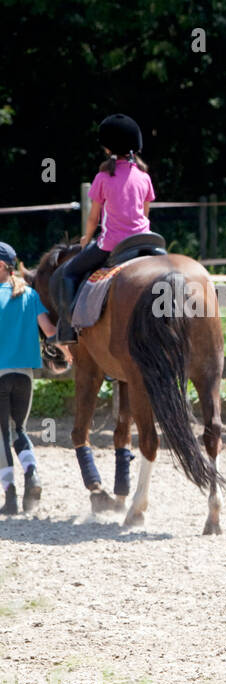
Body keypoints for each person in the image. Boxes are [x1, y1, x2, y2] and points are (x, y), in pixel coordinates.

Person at [55, 114, 155, 341]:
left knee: (68, 273)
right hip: (146, 241)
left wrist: (86, 238)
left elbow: (93, 218)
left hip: (113, 244)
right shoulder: (143, 176)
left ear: (108, 148)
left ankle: (69, 330)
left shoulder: (103, 177)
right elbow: (145, 212)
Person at [0, 241, 59, 514]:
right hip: (24, 375)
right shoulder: (30, 294)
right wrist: (67, 352)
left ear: (2, 266)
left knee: (1, 435)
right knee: (20, 430)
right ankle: (32, 471)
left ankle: (10, 496)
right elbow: (49, 331)